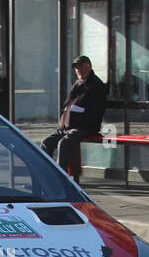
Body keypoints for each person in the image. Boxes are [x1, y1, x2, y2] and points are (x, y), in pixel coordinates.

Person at [41, 55, 106, 184]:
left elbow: (96, 111)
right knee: (46, 143)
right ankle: (45, 177)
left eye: (80, 67)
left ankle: (61, 181)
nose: (78, 71)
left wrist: (78, 115)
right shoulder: (78, 83)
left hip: (85, 127)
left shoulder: (96, 85)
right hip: (68, 126)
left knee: (64, 143)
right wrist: (63, 122)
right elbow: (67, 104)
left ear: (88, 67)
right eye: (76, 68)